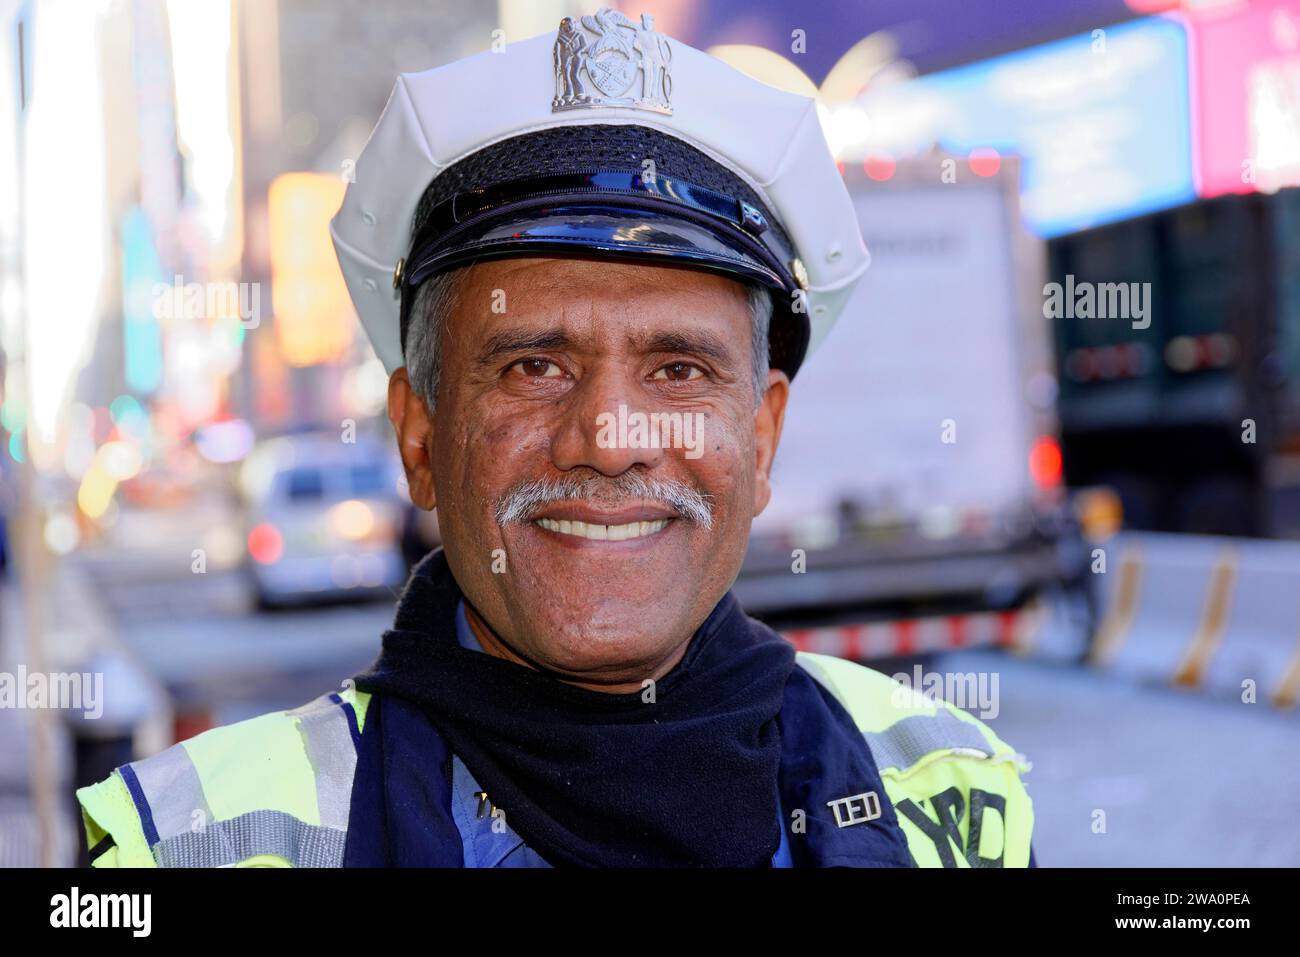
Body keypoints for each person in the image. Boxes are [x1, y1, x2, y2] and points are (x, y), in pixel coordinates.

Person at [76, 8, 1036, 868]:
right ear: (419, 435)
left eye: (679, 369)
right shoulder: (194, 844)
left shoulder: (954, 797)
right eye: (535, 366)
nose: (611, 439)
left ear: (763, 435)